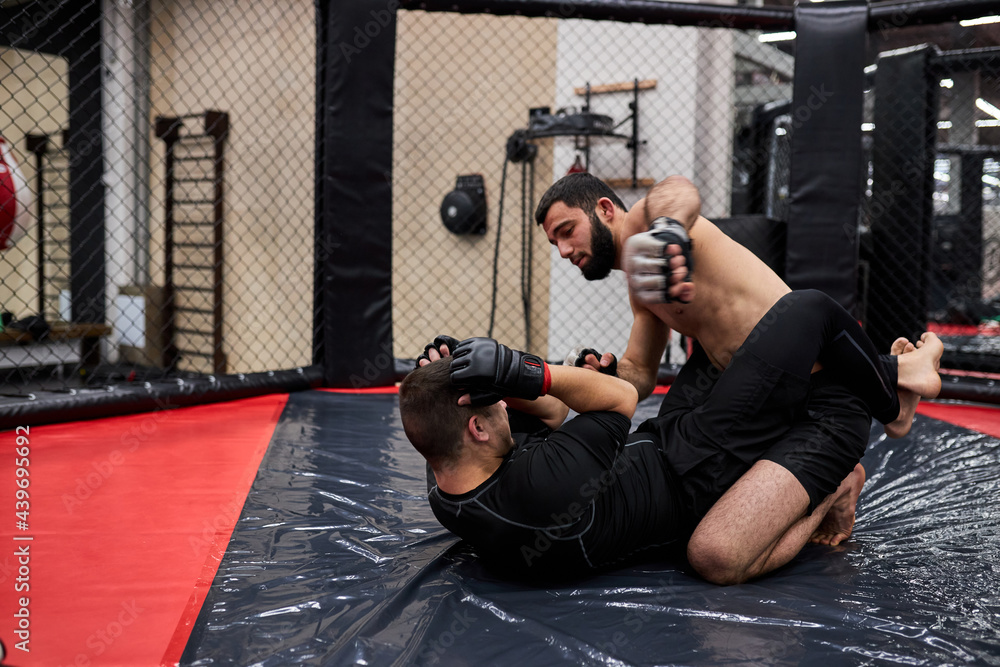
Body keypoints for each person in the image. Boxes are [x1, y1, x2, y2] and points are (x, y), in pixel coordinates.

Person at [401, 290, 943, 584]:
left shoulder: (447, 485)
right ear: (474, 426)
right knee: (807, 314)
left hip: (666, 437)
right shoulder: (544, 488)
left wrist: (449, 378)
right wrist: (525, 370)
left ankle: (878, 385)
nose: (501, 405)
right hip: (702, 469)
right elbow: (617, 399)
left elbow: (546, 414)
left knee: (708, 314)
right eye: (492, 405)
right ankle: (895, 394)